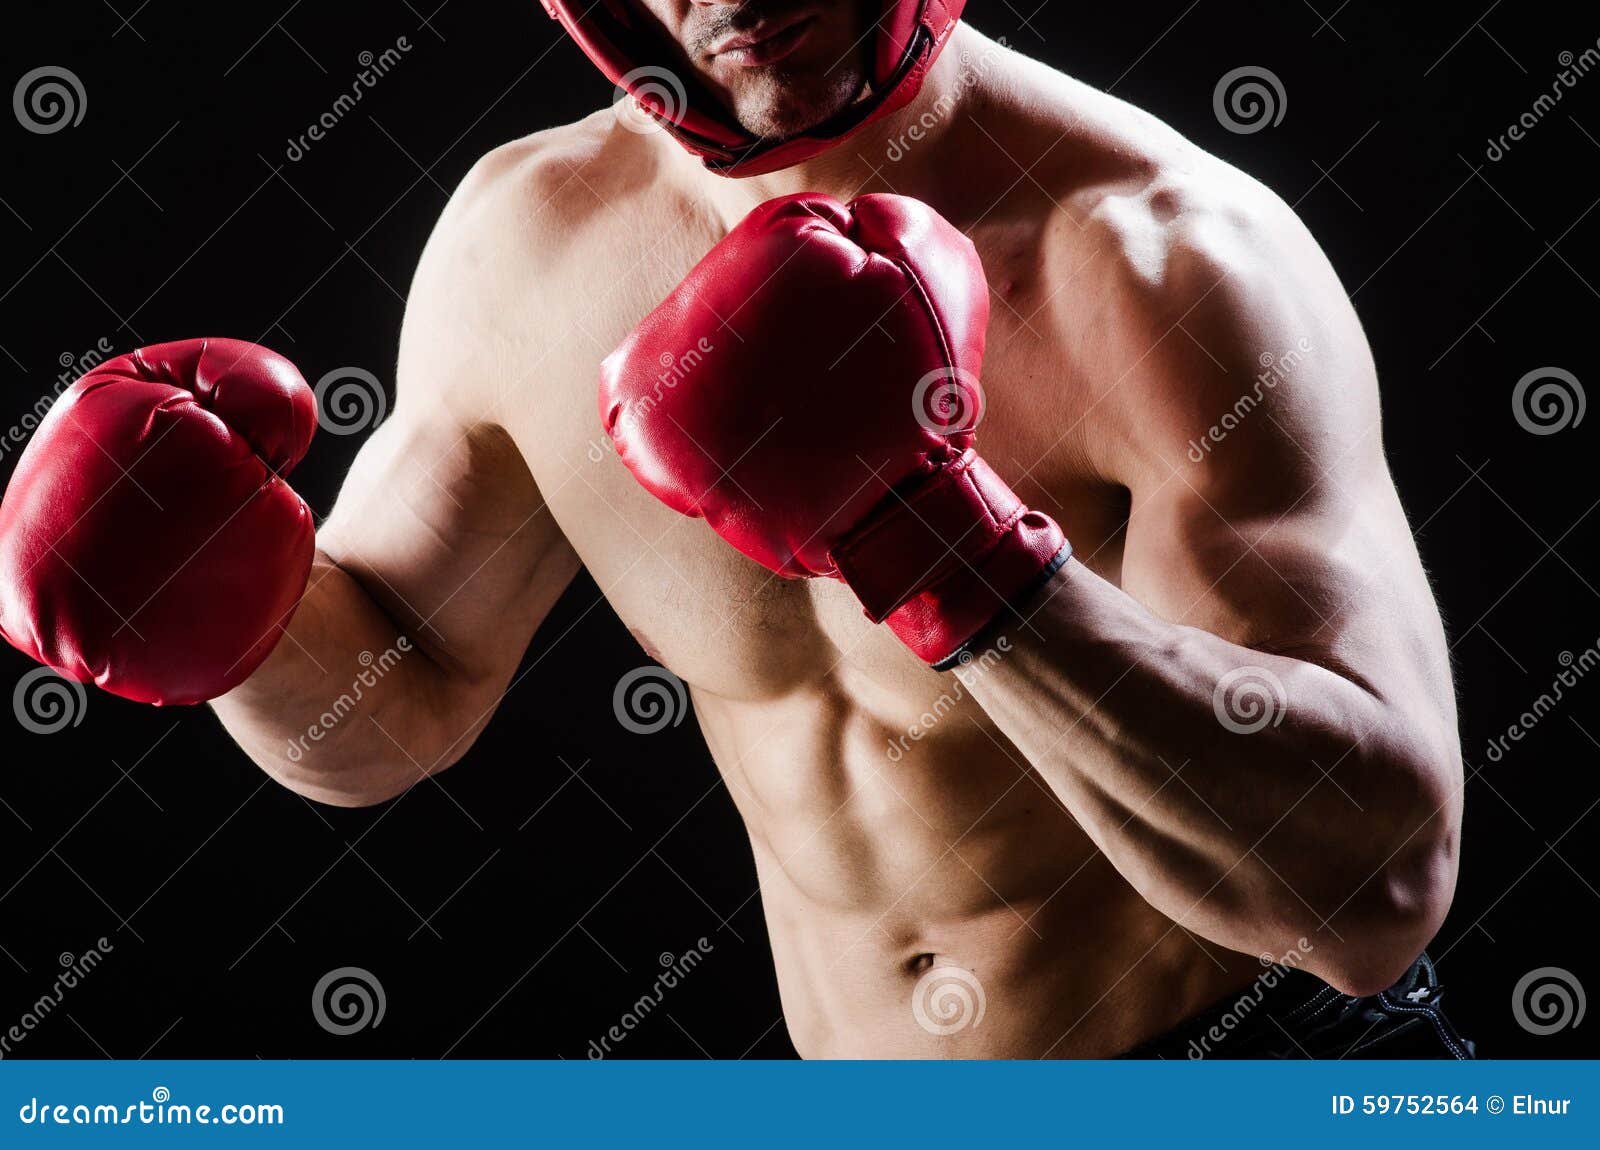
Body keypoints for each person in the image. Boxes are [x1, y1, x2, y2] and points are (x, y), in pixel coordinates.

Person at [0, 1, 1470, 1058]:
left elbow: (1371, 895)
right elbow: (395, 701)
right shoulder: (534, 247)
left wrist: (944, 548)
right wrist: (217, 611)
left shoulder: (1153, 257)